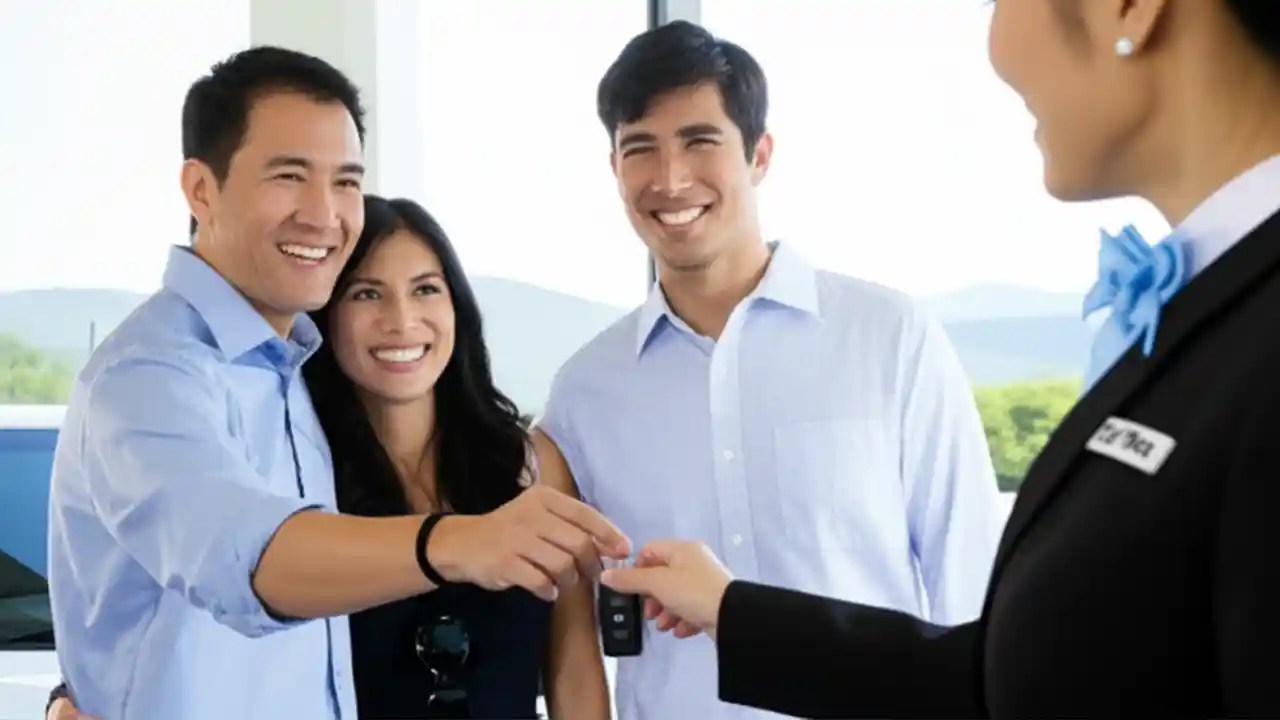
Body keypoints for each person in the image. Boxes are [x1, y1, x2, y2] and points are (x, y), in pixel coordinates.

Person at [600, 1, 1280, 717]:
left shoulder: (893, 334)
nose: (995, 45)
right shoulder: (1210, 316)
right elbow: (1009, 668)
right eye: (640, 146)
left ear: (1132, 9)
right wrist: (735, 611)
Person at [46, 48, 628, 720]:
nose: (324, 214)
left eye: (345, 181)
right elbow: (244, 555)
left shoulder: (288, 371)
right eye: (289, 176)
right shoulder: (148, 375)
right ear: (202, 190)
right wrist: (462, 541)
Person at [533, 20, 1007, 720]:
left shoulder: (890, 337)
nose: (669, 179)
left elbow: (970, 585)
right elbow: (573, 627)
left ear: (759, 154)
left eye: (700, 140)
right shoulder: (583, 392)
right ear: (615, 171)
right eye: (641, 149)